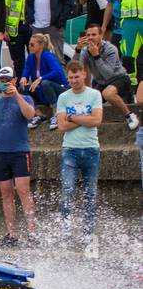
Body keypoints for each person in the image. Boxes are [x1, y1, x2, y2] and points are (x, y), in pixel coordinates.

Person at [0, 66, 37, 245]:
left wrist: (16, 94)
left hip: (19, 151)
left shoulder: (25, 98)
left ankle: (33, 234)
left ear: (14, 80)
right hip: (1, 152)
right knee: (6, 194)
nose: (5, 84)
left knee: (23, 191)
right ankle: (12, 234)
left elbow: (30, 114)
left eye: (8, 80)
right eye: (2, 81)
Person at [56, 60, 103, 235]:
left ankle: (88, 231)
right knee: (67, 189)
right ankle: (66, 228)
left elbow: (97, 121)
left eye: (76, 76)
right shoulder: (63, 97)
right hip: (70, 149)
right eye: (70, 78)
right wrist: (85, 118)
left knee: (90, 193)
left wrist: (72, 117)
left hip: (91, 148)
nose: (74, 80)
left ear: (84, 74)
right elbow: (61, 126)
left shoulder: (95, 95)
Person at [73, 23, 138, 130]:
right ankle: (88, 122)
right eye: (88, 35)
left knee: (107, 93)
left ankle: (129, 115)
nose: (90, 38)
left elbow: (108, 74)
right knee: (89, 97)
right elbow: (76, 68)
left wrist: (96, 56)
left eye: (94, 35)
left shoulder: (110, 49)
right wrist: (78, 50)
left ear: (101, 36)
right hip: (101, 82)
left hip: (119, 78)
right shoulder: (85, 50)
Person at [20, 32, 67, 129]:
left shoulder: (47, 56)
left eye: (32, 44)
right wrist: (24, 77)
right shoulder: (31, 57)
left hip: (59, 90)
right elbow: (26, 70)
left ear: (41, 45)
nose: (29, 46)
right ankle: (37, 115)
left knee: (45, 83)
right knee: (22, 88)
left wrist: (41, 78)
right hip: (43, 91)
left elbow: (58, 71)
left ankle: (56, 114)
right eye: (29, 44)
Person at [4, 0, 33, 83]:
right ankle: (21, 86)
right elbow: (5, 11)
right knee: (18, 60)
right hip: (14, 28)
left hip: (31, 26)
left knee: (33, 57)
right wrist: (5, 30)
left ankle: (34, 84)